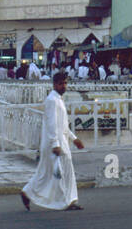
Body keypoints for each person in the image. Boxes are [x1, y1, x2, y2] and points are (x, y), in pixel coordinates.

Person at [20, 71, 85, 212]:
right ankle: (68, 201)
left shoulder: (58, 100)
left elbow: (63, 125)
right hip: (54, 143)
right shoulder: (51, 100)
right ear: (55, 84)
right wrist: (55, 144)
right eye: (61, 83)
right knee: (61, 172)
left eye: (66, 83)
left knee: (47, 173)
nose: (64, 86)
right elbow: (52, 124)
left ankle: (27, 192)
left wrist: (74, 139)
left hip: (61, 140)